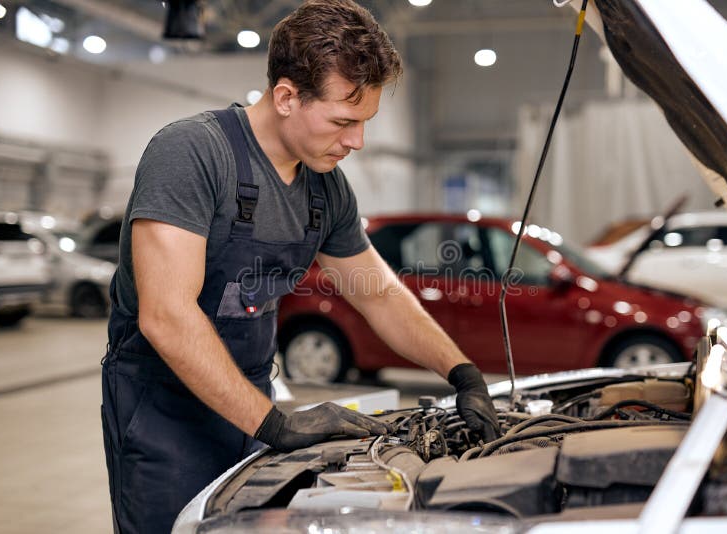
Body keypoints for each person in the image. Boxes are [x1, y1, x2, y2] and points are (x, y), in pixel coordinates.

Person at [100, 1, 500, 532]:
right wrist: (276, 424)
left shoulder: (325, 188)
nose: (357, 141)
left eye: (364, 123)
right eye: (343, 121)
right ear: (286, 96)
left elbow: (378, 293)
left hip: (253, 406)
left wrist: (464, 375)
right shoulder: (193, 153)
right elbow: (165, 315)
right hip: (164, 414)